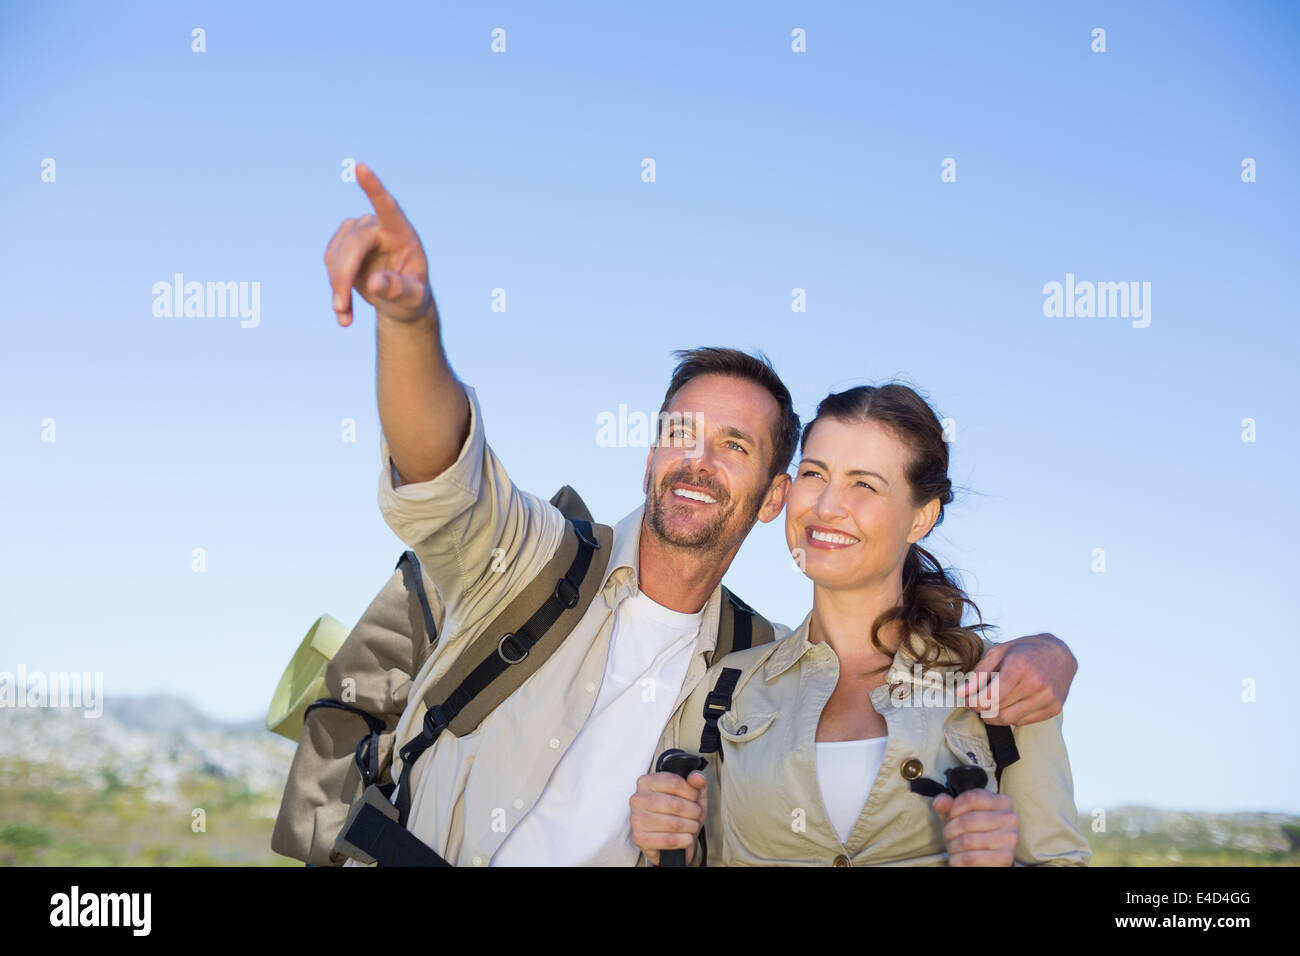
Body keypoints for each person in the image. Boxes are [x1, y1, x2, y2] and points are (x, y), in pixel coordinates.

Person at [322, 162, 1081, 866]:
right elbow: (443, 472)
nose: (699, 461)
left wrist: (1051, 651)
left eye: (736, 446)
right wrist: (411, 323)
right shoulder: (536, 564)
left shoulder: (746, 668)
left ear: (769, 498)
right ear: (649, 455)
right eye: (680, 434)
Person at [630, 384, 1091, 866]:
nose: (827, 506)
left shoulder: (1005, 683)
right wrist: (666, 847)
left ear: (921, 517)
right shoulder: (719, 692)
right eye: (814, 473)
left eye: (864, 484)